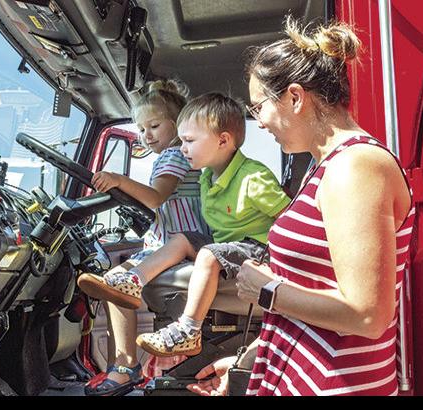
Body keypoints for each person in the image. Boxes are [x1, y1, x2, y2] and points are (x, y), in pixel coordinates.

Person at [188, 18, 415, 396]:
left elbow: (366, 315)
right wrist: (255, 358)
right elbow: (317, 295)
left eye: (258, 107)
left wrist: (267, 290)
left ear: (294, 97)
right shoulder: (324, 167)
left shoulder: (354, 166)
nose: (258, 123)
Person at [80, 92, 291, 358]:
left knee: (208, 254)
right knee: (181, 239)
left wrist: (282, 264)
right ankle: (132, 280)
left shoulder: (253, 177)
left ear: (223, 140)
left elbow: (288, 216)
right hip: (228, 246)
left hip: (258, 248)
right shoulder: (206, 179)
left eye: (189, 141)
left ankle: (189, 330)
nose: (182, 148)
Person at [77, 79, 208, 396]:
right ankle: (120, 367)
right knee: (113, 282)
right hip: (169, 240)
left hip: (181, 242)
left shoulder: (175, 155)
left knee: (115, 281)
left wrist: (119, 180)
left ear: (176, 125)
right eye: (141, 129)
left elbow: (157, 197)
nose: (147, 135)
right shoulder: (170, 156)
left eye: (154, 126)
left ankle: (124, 368)